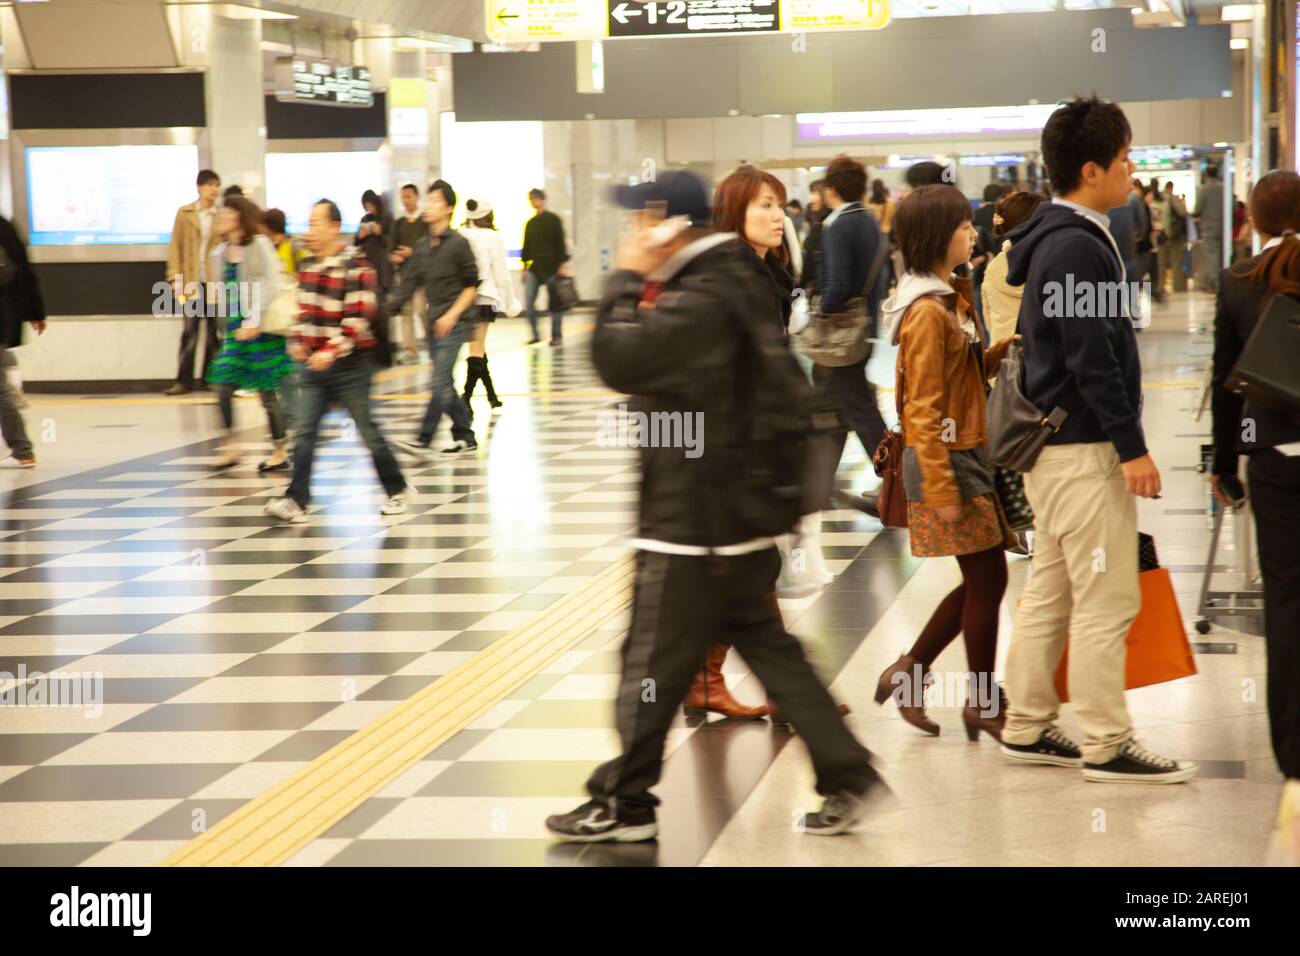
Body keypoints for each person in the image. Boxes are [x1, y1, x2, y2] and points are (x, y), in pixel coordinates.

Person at [544, 170, 885, 842]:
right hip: (737, 520)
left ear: (667, 223)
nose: (631, 234)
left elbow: (617, 358)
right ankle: (849, 774)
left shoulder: (702, 295)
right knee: (769, 652)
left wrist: (623, 280)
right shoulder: (733, 280)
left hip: (693, 522)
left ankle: (627, 802)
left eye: (639, 220)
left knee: (649, 665)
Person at [1000, 96, 1197, 783]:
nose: (1130, 169)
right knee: (1107, 598)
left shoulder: (1055, 239)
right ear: (1091, 170)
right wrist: (1131, 447)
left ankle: (1024, 724)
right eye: (1122, 159)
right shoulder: (1079, 247)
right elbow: (1093, 360)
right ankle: (1106, 742)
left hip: (1052, 454)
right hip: (1082, 454)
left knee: (1052, 590)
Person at [875, 184, 1017, 739]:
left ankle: (911, 671)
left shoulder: (948, 295)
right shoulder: (926, 314)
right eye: (963, 226)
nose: (973, 232)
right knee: (988, 579)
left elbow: (959, 379)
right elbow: (922, 407)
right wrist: (940, 487)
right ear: (939, 236)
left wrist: (995, 355)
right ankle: (980, 700)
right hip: (947, 462)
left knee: (983, 579)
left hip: (965, 454)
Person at [1210, 169, 1300, 795]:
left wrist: (1223, 465)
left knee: (1286, 599)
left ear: (1255, 220)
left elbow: (1225, 382)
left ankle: (1293, 749)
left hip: (1271, 458)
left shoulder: (1238, 281)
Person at [262, 200, 409, 524]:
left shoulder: (357, 266)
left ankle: (396, 488)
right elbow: (304, 312)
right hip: (314, 366)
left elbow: (360, 318)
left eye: (315, 223)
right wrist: (299, 340)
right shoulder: (309, 267)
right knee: (305, 432)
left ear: (334, 227)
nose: (309, 230)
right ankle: (297, 499)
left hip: (352, 366)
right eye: (309, 223)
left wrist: (332, 350)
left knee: (367, 430)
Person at [386, 180, 480, 458]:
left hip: (456, 323)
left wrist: (452, 315)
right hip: (433, 323)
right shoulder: (423, 246)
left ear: (449, 208)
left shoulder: (459, 244)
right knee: (445, 384)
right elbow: (409, 283)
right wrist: (387, 307)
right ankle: (466, 436)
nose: (428, 206)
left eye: (435, 201)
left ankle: (423, 440)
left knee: (438, 383)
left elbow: (471, 286)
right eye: (428, 200)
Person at [205, 196, 294, 473]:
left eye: (227, 212)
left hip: (261, 330)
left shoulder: (259, 245)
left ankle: (280, 450)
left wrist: (254, 321)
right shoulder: (218, 253)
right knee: (222, 386)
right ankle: (231, 445)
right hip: (234, 331)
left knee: (267, 393)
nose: (221, 217)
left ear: (240, 216)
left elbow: (271, 284)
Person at [814, 155, 888, 464]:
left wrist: (819, 313)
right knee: (835, 404)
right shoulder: (870, 219)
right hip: (865, 326)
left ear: (831, 189)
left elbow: (838, 282)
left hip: (843, 333)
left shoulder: (838, 224)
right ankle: (820, 483)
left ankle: (893, 477)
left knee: (859, 408)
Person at [164, 169, 222, 396]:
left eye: (216, 185)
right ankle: (183, 380)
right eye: (209, 185)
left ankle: (210, 379)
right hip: (191, 281)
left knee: (212, 332)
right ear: (199, 187)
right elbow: (175, 247)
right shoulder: (185, 213)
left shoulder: (221, 215)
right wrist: (173, 277)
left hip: (213, 282)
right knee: (190, 331)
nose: (213, 189)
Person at [460, 197, 520, 412]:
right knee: (476, 349)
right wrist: (511, 303)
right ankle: (465, 399)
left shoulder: (460, 235)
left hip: (463, 300)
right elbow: (502, 276)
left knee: (478, 348)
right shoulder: (494, 238)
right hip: (484, 298)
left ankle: (491, 396)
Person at [0, 213, 45, 468]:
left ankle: (22, 449)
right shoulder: (3, 224)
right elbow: (23, 268)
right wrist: (35, 312)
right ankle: (22, 450)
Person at [981, 190, 1047, 346]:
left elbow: (988, 316)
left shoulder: (993, 267)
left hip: (1003, 356)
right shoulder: (1049, 264)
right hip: (1042, 357)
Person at [521, 188, 571, 346]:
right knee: (529, 302)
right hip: (534, 268)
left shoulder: (553, 220)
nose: (533, 202)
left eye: (535, 199)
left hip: (552, 267)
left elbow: (560, 242)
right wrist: (524, 267)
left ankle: (556, 336)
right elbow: (527, 246)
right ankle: (535, 334)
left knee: (555, 303)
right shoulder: (530, 223)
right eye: (531, 199)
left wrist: (561, 264)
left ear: (542, 199)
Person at [390, 183, 427, 366]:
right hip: (404, 275)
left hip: (422, 276)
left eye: (409, 196)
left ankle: (432, 345)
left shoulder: (424, 221)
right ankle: (410, 351)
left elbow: (428, 247)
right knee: (406, 314)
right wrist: (395, 255)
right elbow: (392, 246)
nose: (406, 201)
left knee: (423, 312)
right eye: (403, 197)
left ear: (417, 196)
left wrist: (411, 252)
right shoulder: (399, 222)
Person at [1195, 162, 1225, 292]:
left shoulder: (1203, 189)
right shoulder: (1224, 188)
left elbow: (1198, 208)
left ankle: (1215, 284)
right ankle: (1222, 281)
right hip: (1224, 226)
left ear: (1206, 175)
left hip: (1208, 226)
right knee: (1222, 254)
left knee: (1212, 256)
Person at [1160, 182, 1189, 293]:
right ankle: (1179, 287)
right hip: (1176, 235)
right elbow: (1182, 213)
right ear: (1172, 187)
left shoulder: (1160, 198)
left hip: (1163, 235)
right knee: (1177, 261)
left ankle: (1160, 287)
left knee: (1162, 262)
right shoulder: (1173, 198)